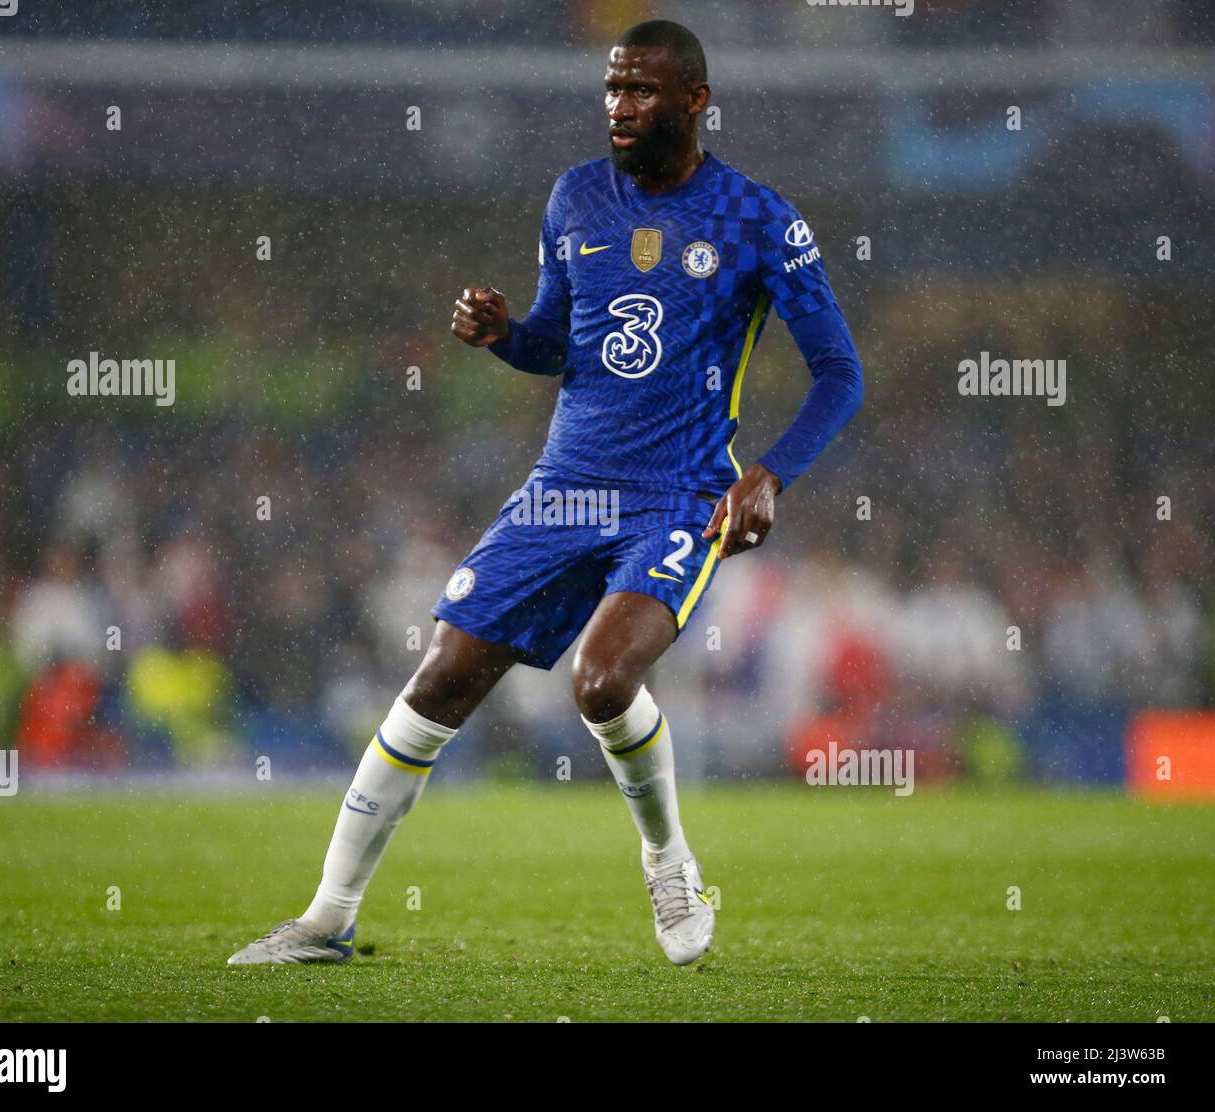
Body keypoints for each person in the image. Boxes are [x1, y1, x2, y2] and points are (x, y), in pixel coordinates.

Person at [229, 19, 863, 967]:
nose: (619, 106)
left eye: (643, 90)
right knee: (440, 674)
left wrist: (771, 472)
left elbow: (839, 373)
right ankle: (327, 919)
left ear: (695, 101)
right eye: (612, 87)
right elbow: (559, 349)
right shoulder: (574, 199)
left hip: (679, 495)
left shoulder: (759, 220)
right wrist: (503, 335)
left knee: (604, 682)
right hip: (563, 488)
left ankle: (668, 858)